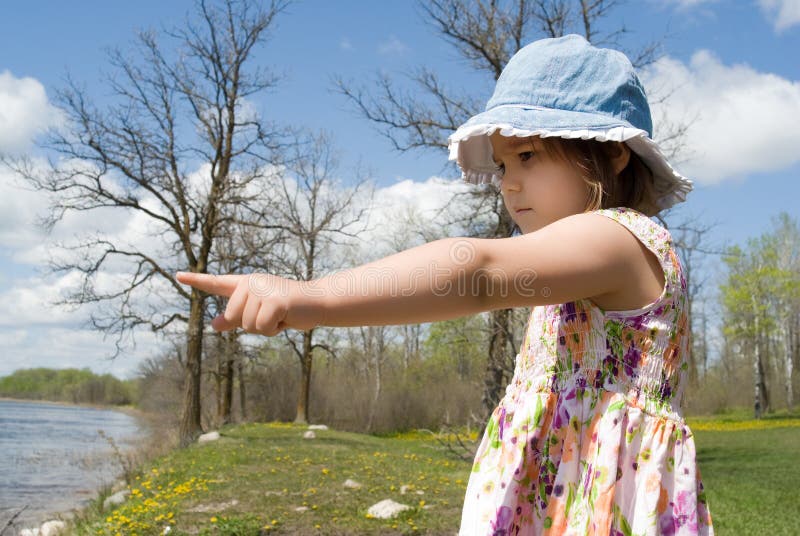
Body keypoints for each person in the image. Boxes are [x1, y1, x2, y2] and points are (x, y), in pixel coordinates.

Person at [176, 34, 714, 535]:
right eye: (502, 165)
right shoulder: (579, 263)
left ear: (612, 152)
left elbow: (476, 272)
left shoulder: (619, 240)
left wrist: (311, 297)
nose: (510, 182)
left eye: (527, 155)